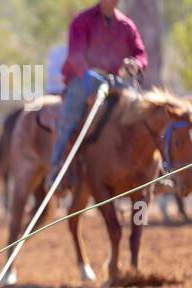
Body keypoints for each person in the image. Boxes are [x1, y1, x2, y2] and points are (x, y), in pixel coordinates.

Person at [48, 0, 147, 191]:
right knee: (69, 117)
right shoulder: (82, 21)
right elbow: (75, 55)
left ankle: (148, 166)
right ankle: (57, 168)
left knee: (140, 111)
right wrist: (88, 76)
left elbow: (140, 53)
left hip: (114, 81)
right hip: (82, 78)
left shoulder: (126, 25)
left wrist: (136, 63)